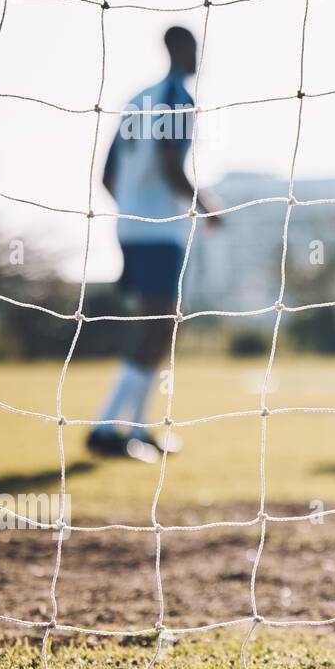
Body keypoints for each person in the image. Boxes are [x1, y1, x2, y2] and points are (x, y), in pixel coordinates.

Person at [87, 26, 218, 459]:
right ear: (177, 48)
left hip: (133, 227)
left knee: (162, 327)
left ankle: (138, 430)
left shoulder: (134, 100)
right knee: (157, 327)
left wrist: (130, 210)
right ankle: (106, 429)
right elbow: (169, 163)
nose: (198, 56)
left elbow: (107, 176)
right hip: (159, 229)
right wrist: (209, 207)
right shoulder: (176, 96)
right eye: (194, 48)